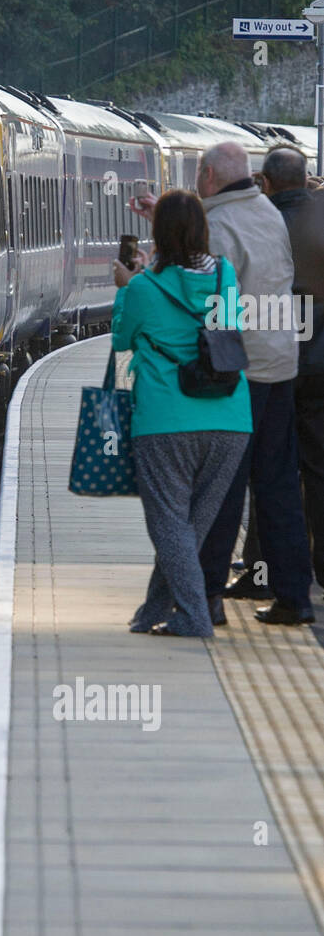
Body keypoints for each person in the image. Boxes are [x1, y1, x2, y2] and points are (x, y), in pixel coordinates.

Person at [112, 190, 251, 637]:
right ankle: (153, 610)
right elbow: (226, 330)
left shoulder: (142, 287)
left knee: (170, 524)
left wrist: (125, 289)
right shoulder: (225, 276)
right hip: (230, 419)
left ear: (157, 235)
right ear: (203, 230)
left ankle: (193, 618)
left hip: (166, 421)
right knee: (188, 527)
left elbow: (122, 340)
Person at [191, 142, 313, 624]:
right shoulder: (265, 212)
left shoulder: (218, 227)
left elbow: (212, 305)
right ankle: (294, 596)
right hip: (281, 364)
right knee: (279, 484)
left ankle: (207, 597)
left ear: (208, 176)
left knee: (222, 485)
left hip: (241, 372)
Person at [259, 145, 324, 591]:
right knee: (318, 469)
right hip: (320, 362)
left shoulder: (261, 226)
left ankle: (274, 574)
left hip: (275, 365)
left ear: (267, 182)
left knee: (274, 472)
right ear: (305, 178)